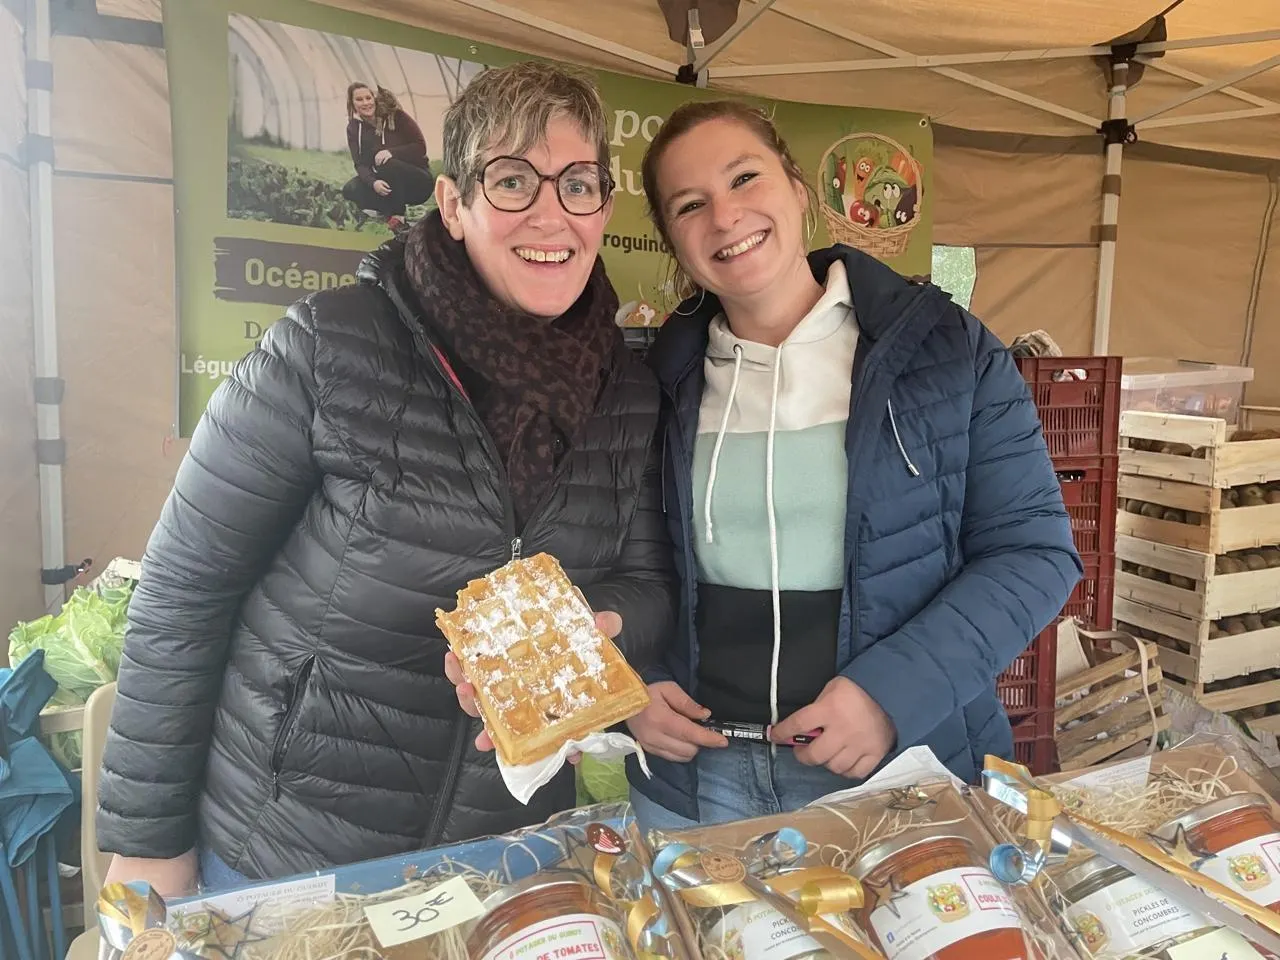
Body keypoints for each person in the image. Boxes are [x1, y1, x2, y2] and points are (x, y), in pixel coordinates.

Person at [96, 61, 676, 897]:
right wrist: (149, 842)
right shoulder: (329, 349)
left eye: (577, 183)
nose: (551, 213)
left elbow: (647, 580)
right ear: (452, 203)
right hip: (287, 849)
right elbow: (184, 595)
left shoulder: (626, 392)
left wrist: (590, 622)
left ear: (603, 208)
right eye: (512, 180)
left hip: (503, 852)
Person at [622, 100, 1083, 829]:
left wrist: (888, 695)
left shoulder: (945, 351)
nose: (726, 216)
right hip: (694, 783)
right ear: (671, 240)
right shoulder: (652, 384)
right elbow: (612, 562)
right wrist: (630, 685)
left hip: (900, 766)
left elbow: (1034, 553)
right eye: (690, 204)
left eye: (746, 178)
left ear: (798, 189)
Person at [341, 82, 436, 230]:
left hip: (417, 182)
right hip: (388, 182)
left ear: (374, 99)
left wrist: (392, 152)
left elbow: (420, 146)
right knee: (350, 189)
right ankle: (387, 209)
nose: (365, 103)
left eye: (368, 98)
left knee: (386, 162)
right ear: (352, 103)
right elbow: (360, 163)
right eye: (359, 99)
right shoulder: (354, 128)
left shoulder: (397, 116)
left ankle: (398, 215)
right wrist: (373, 182)